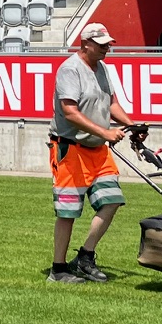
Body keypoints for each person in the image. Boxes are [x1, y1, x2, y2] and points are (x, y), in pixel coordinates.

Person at [46, 21, 142, 283]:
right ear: (84, 44)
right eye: (101, 45)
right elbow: (70, 112)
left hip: (97, 150)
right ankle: (58, 270)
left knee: (111, 200)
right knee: (67, 212)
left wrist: (132, 126)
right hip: (70, 149)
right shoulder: (70, 70)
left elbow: (112, 104)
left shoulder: (102, 69)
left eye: (108, 45)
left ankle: (85, 256)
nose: (106, 49)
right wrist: (106, 133)